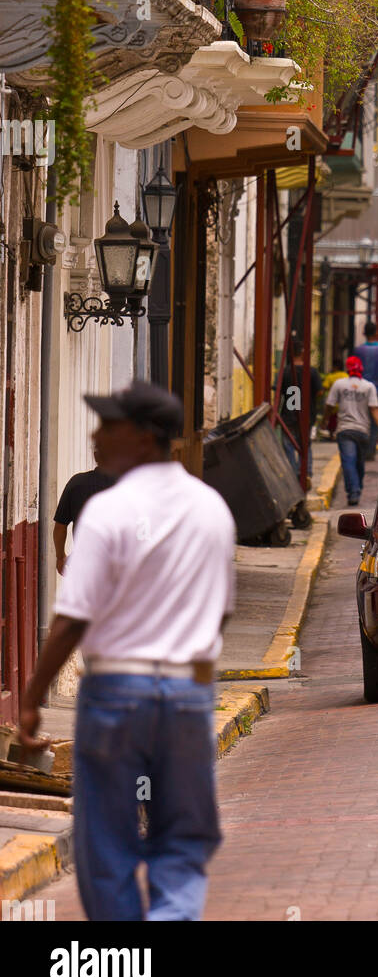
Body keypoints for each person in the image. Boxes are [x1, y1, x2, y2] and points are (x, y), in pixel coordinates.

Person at [18, 380, 236, 922]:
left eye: (107, 426)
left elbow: (72, 619)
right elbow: (222, 609)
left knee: (108, 840)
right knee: (182, 836)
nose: (95, 438)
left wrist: (32, 697)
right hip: (188, 691)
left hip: (117, 691)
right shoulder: (210, 509)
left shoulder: (111, 511)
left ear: (142, 437)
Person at [325, 355, 378, 505]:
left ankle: (354, 490)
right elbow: (375, 409)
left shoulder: (339, 385)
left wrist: (325, 420)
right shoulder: (368, 386)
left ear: (347, 368)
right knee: (358, 462)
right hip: (363, 430)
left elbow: (329, 405)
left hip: (345, 429)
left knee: (349, 461)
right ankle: (355, 490)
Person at [278, 337, 322, 524]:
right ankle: (307, 473)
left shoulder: (285, 372)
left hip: (288, 415)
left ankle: (293, 472)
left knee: (288, 445)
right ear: (302, 352)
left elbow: (278, 392)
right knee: (306, 446)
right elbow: (319, 393)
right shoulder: (311, 372)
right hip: (306, 416)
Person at [52, 458, 115, 576]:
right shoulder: (127, 485)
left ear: (96, 456)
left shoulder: (77, 483)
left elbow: (60, 526)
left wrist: (60, 557)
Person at [353, 321, 378, 460]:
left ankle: (361, 448)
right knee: (375, 421)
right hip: (377, 388)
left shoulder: (358, 350)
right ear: (376, 333)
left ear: (364, 334)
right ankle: (370, 450)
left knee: (361, 417)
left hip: (360, 388)